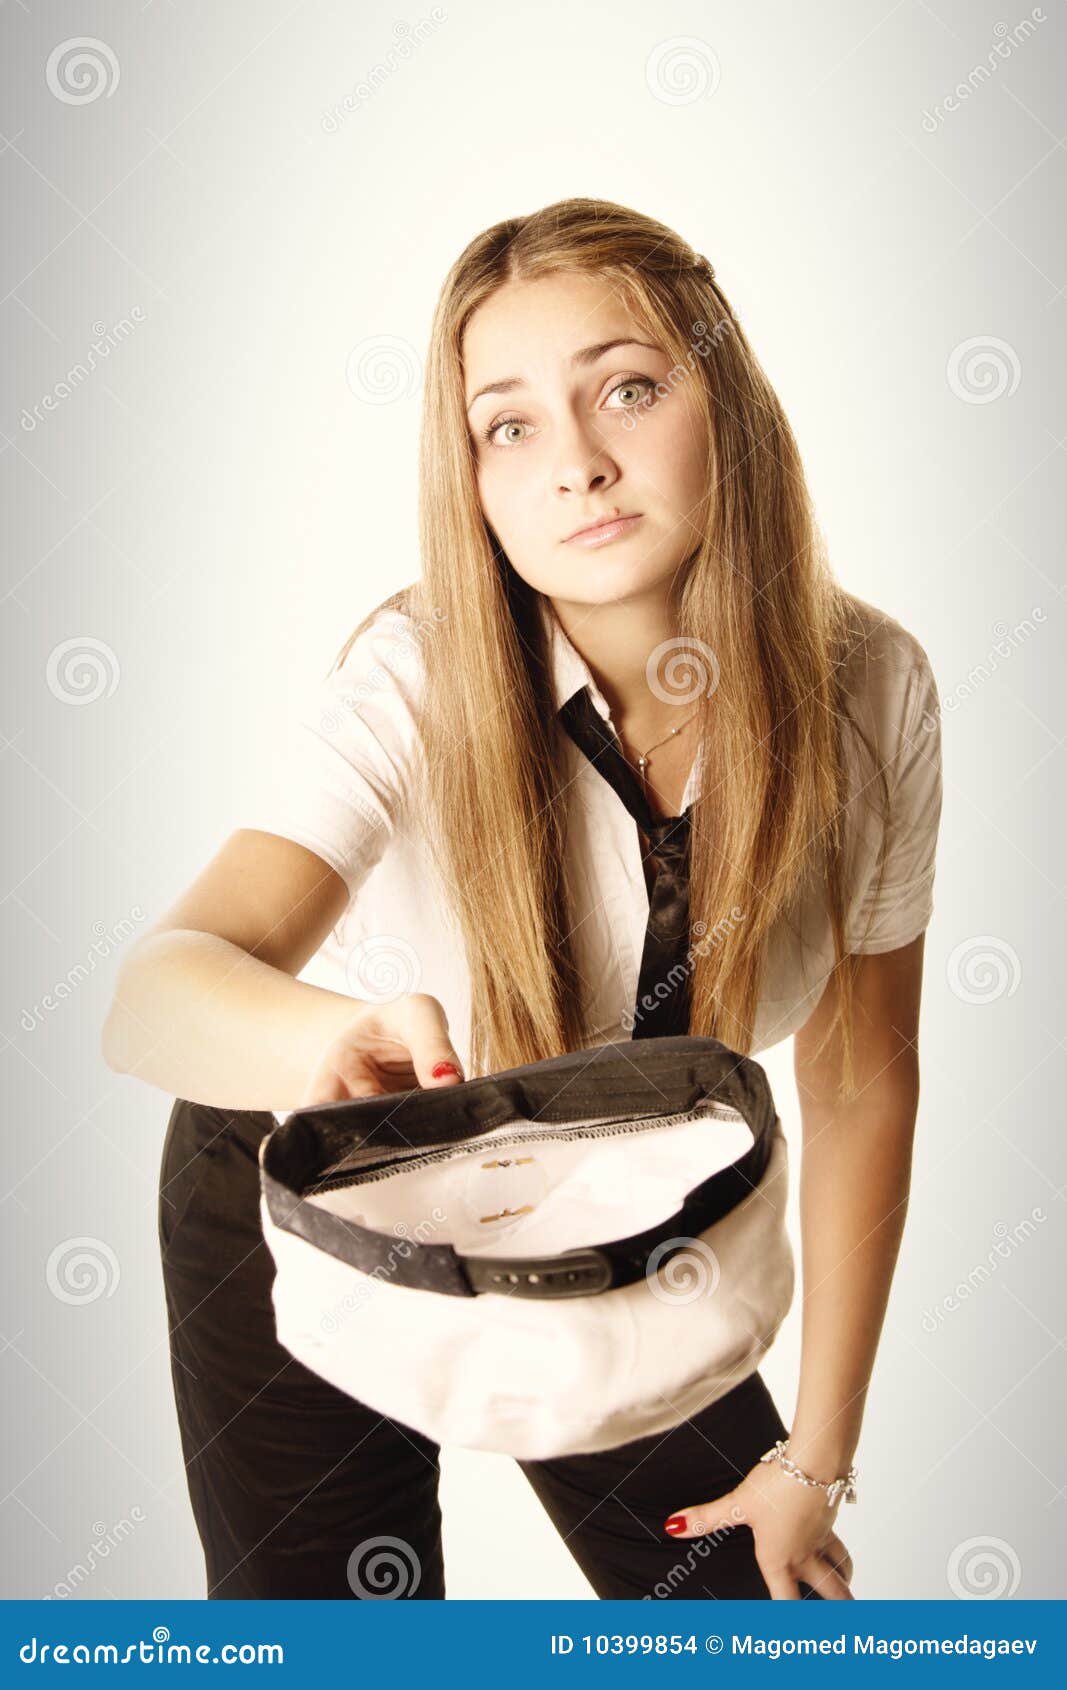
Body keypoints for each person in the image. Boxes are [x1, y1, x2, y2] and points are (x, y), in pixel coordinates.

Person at [100, 196, 942, 1602]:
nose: (582, 465)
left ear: (721, 394)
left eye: (628, 387)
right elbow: (153, 989)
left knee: (758, 1626)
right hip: (324, 1181)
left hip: (614, 1200)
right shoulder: (417, 672)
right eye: (512, 426)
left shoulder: (873, 689)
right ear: (473, 477)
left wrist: (816, 1455)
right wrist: (320, 1044)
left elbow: (862, 1078)